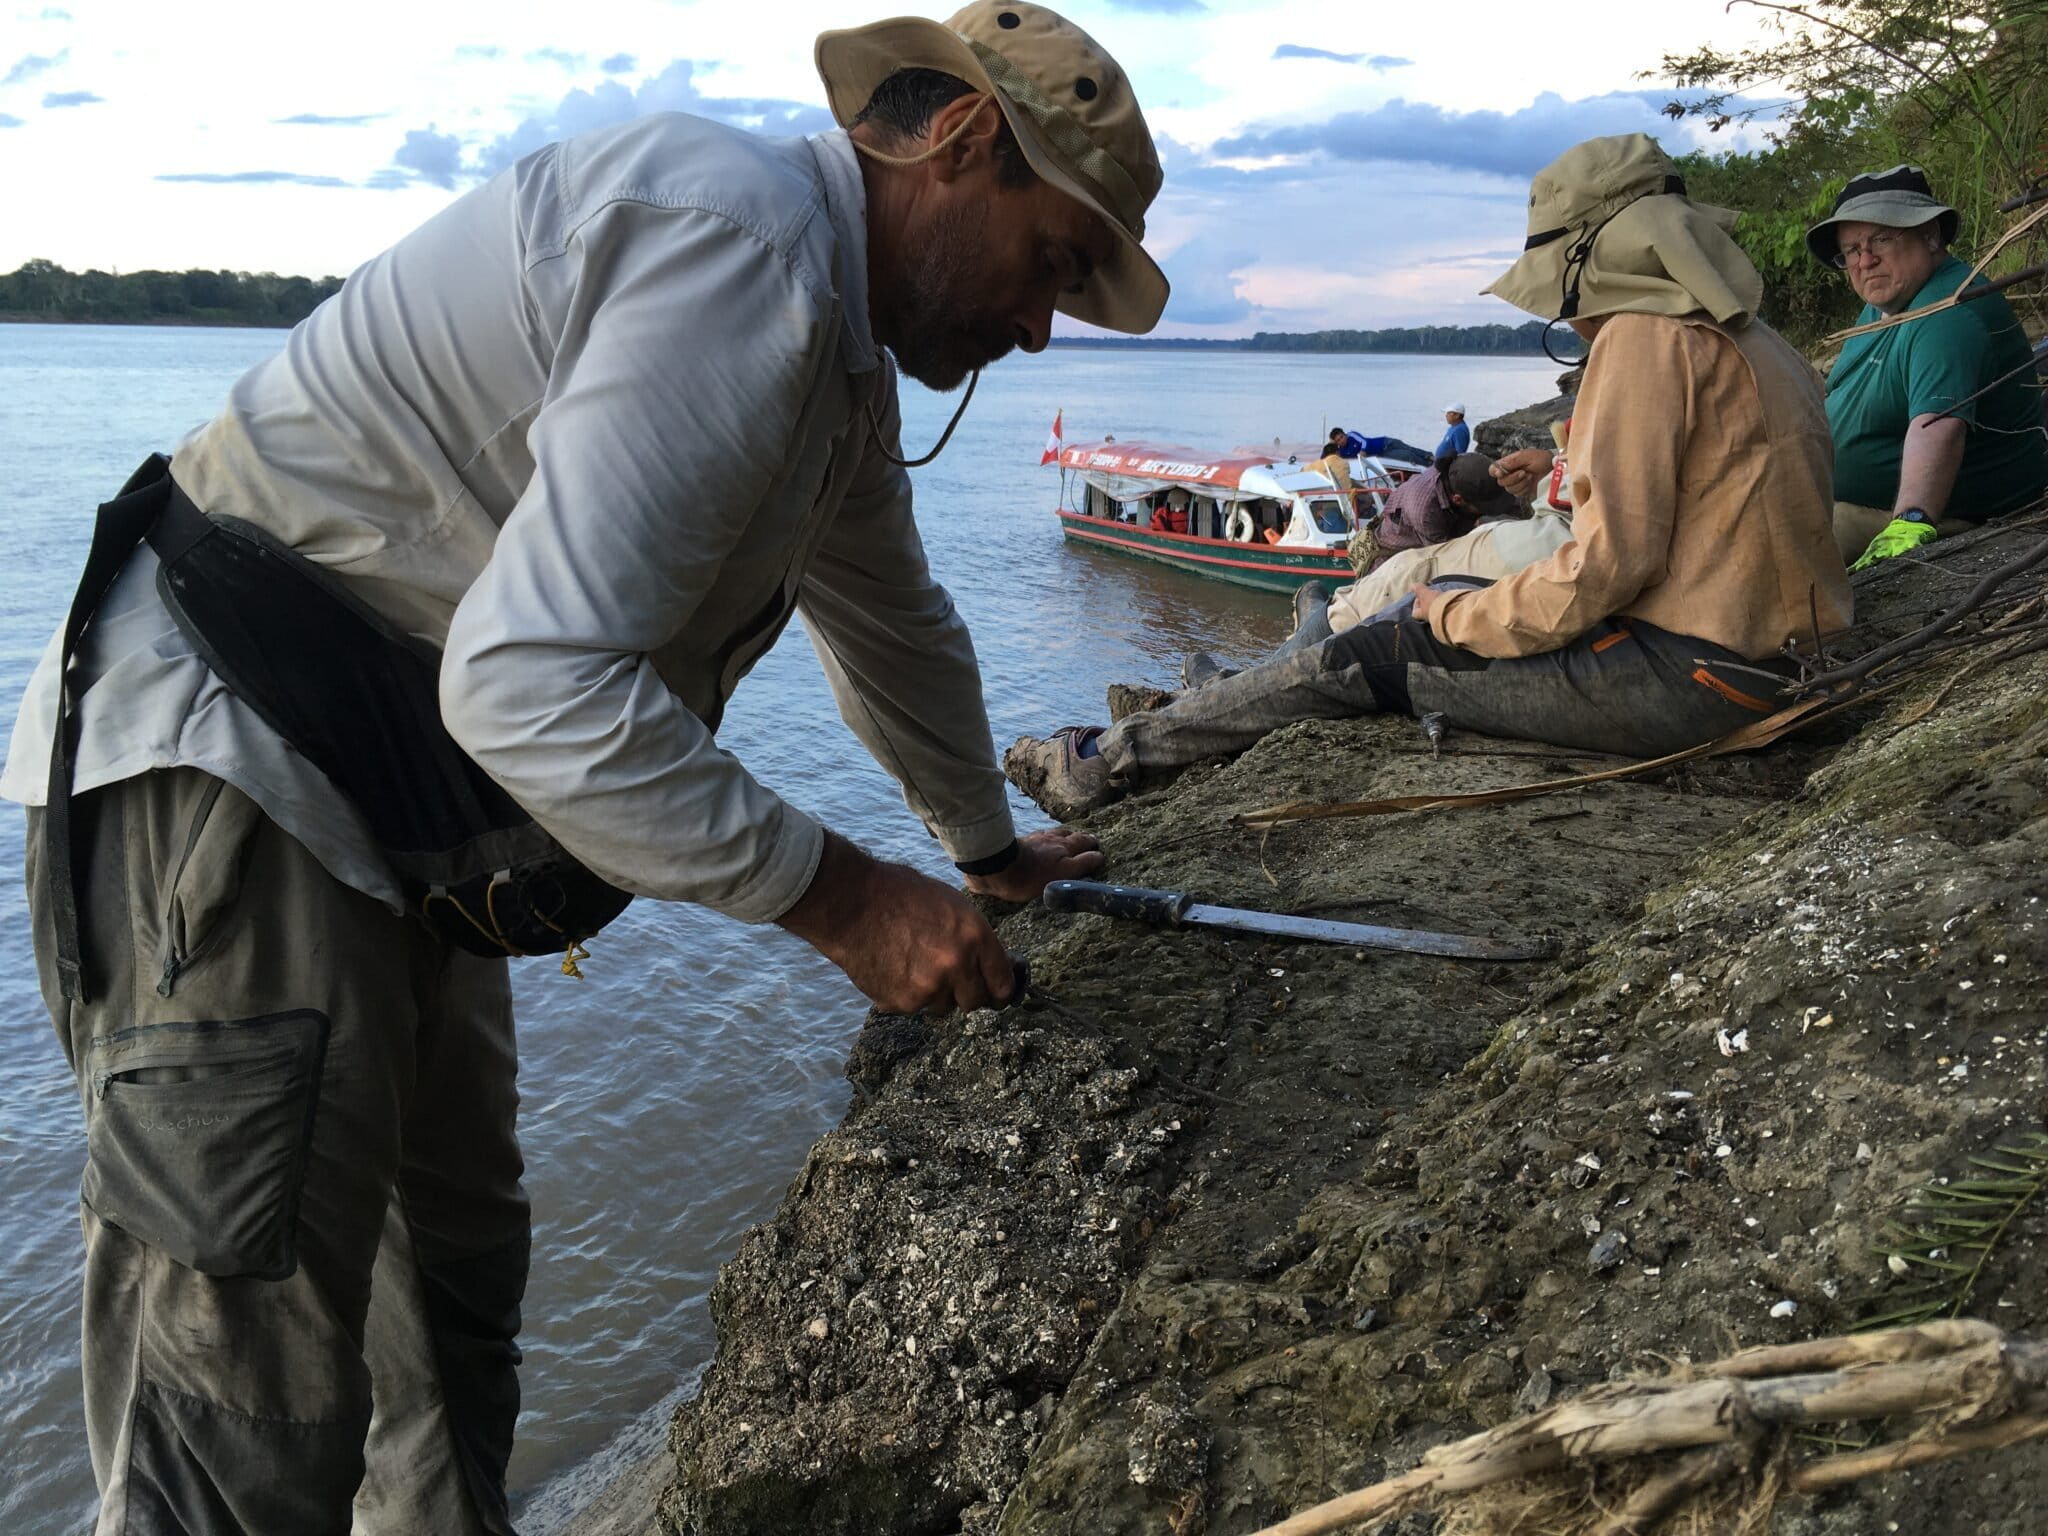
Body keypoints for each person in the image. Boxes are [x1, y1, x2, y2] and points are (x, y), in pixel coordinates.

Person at [1, 5, 1164, 1530]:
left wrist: (985, 848)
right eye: (1058, 263)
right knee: (245, 1407)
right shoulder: (737, 245)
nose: (1039, 326)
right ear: (958, 146)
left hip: (408, 817)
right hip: (234, 776)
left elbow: (891, 618)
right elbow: (533, 684)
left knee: (455, 1320)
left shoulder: (833, 348)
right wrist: (848, 902)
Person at [1005, 133, 1850, 823]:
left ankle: (1105, 761)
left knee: (1382, 644)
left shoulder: (1645, 339)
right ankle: (1222, 700)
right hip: (1773, 660)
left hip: (1697, 679)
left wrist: (1454, 615)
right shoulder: (1756, 340)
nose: (1571, 319)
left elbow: (1606, 567)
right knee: (1409, 611)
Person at [1806, 165, 2047, 567]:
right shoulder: (1888, 303)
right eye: (1851, 250)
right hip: (1842, 496)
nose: (1865, 260)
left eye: (1881, 238)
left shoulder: (1948, 312)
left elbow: (1939, 425)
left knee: (1773, 553)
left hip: (1932, 511)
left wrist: (1911, 520)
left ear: (1931, 235)